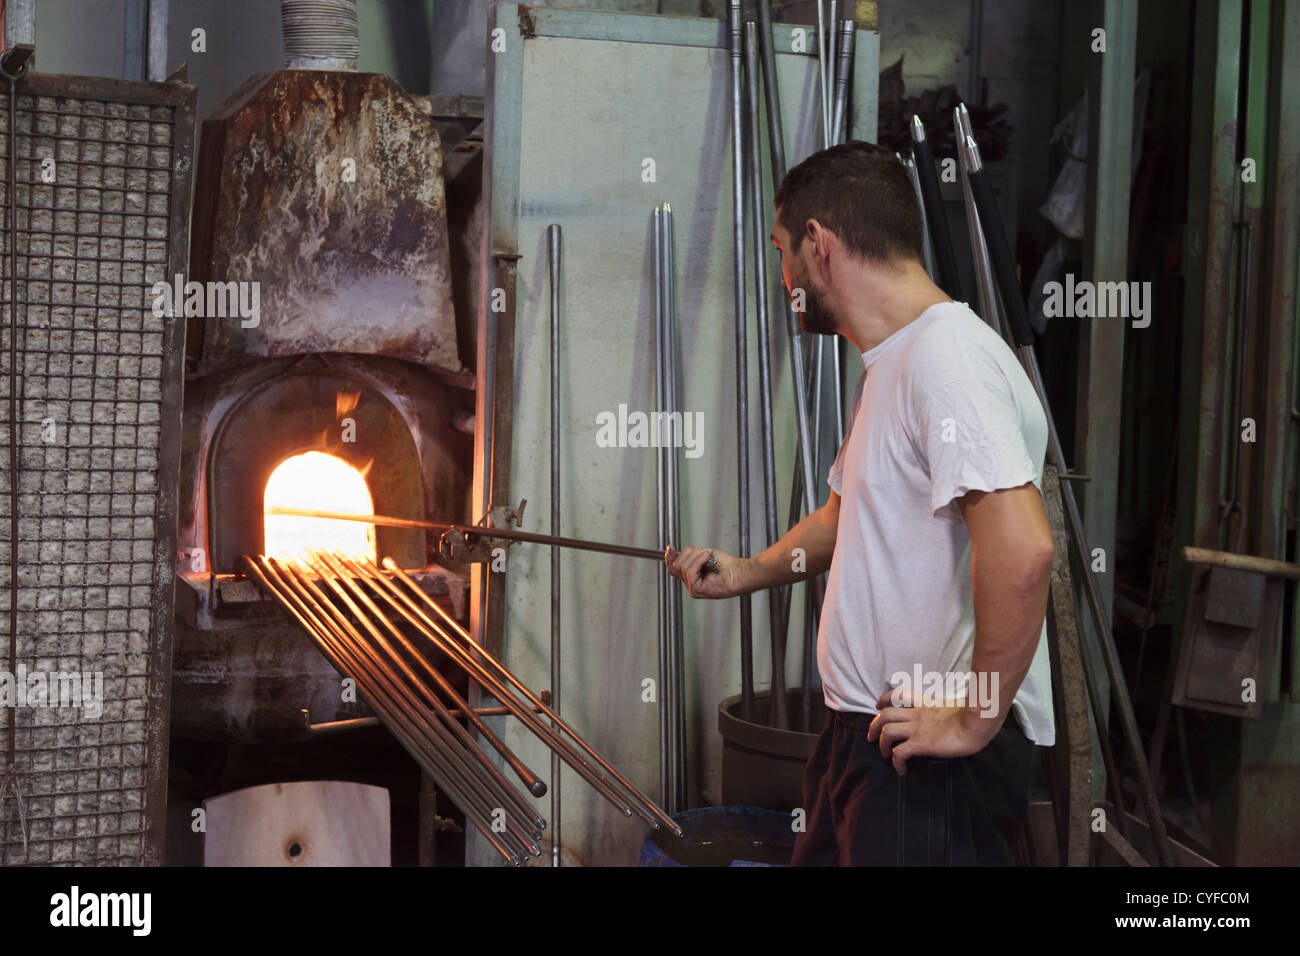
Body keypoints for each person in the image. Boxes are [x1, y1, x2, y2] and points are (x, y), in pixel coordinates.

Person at [665, 141, 1056, 866]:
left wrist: (974, 717)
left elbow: (1025, 549)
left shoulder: (947, 363)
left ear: (819, 243)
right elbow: (849, 519)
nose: (783, 275)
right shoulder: (897, 363)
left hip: (932, 766)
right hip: (870, 745)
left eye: (784, 250)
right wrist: (747, 571)